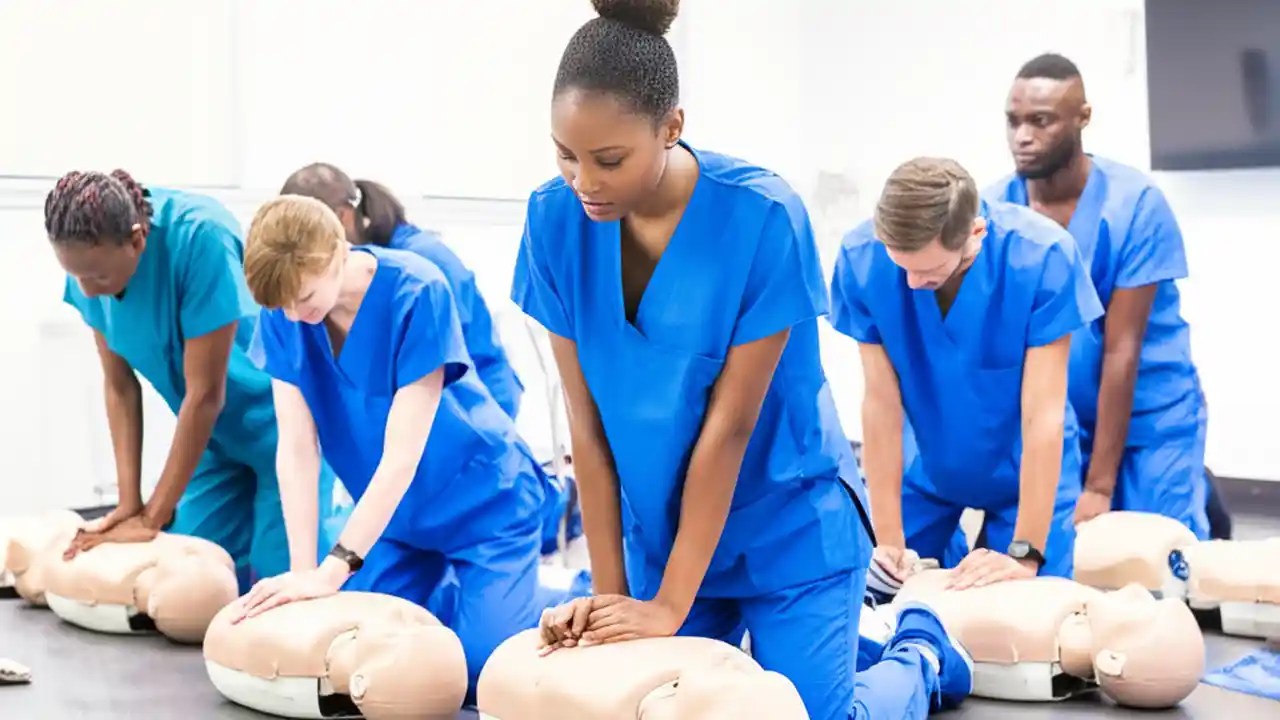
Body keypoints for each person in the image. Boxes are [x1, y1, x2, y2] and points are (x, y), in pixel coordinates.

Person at [515, 3, 973, 719]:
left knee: (820, 715)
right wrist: (614, 604)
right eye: (565, 155)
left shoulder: (762, 216)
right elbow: (587, 424)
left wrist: (669, 605)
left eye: (609, 160)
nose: (584, 183)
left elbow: (729, 430)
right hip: (666, 534)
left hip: (788, 526)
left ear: (671, 127)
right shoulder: (553, 220)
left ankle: (919, 649)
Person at [231, 195, 578, 699]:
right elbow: (297, 449)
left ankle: (573, 590)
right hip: (396, 524)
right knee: (370, 659)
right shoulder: (286, 310)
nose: (292, 315)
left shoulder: (417, 290)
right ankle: (464, 598)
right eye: (280, 305)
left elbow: (402, 457)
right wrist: (306, 577)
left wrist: (334, 570)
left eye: (302, 298)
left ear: (336, 250)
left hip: (484, 504)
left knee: (479, 671)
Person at [43, 170, 337, 591]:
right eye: (77, 277)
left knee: (285, 578)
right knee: (191, 578)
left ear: (138, 238)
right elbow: (120, 387)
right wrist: (130, 505)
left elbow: (205, 394)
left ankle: (362, 534)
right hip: (212, 440)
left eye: (100, 278)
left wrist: (152, 517)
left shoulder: (202, 237)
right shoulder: (87, 258)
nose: (88, 292)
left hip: (280, 428)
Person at [277, 164, 579, 556]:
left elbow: (453, 370)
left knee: (481, 508)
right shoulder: (321, 291)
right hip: (407, 429)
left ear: (338, 222)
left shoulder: (418, 271)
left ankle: (560, 504)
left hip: (470, 408)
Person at [830, 157, 1104, 587]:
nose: (912, 285)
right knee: (876, 590)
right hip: (925, 465)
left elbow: (1043, 416)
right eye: (902, 267)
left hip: (1026, 472)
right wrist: (887, 541)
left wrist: (1026, 552)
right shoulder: (861, 258)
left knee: (1021, 617)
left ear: (976, 235)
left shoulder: (1041, 256)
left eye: (930, 272)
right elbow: (881, 404)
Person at [987, 53, 1214, 539]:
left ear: (1082, 118)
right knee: (1062, 561)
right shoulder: (995, 210)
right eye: (1014, 121)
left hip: (1151, 416)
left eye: (1041, 121)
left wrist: (1099, 486)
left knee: (1158, 560)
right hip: (1059, 420)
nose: (1022, 136)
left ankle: (1194, 493)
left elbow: (1121, 348)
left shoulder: (1134, 205)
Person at [279, 163, 525, 420]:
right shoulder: (346, 277)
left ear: (341, 218)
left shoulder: (420, 268)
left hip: (476, 407)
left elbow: (449, 356)